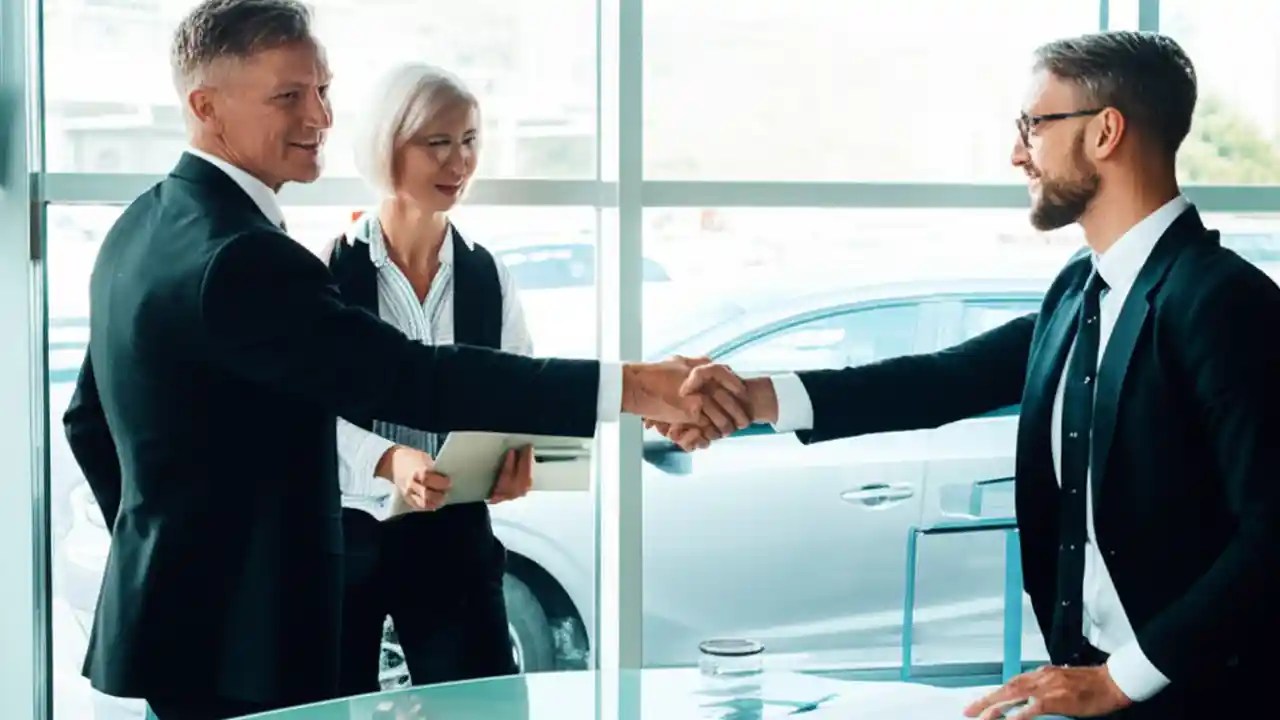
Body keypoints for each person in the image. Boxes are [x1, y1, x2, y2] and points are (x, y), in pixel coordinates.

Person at [60, 2, 748, 718]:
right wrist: (636, 385)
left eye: (322, 90)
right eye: (288, 96)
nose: (320, 118)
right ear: (206, 107)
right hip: (247, 642)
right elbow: (409, 379)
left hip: (188, 631)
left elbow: (88, 420)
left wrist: (170, 558)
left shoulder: (141, 227)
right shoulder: (246, 256)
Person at [666, 30, 1279, 720]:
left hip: (1201, 696)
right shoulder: (1080, 290)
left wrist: (1120, 680)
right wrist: (754, 399)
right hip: (1086, 688)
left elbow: (1273, 537)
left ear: (1106, 132)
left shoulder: (1227, 303)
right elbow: (939, 380)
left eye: (1034, 125)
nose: (1018, 152)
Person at [327, 62, 539, 694]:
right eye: (437, 143)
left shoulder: (487, 275)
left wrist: (518, 452)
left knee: (484, 708)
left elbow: (520, 388)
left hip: (455, 538)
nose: (459, 162)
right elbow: (309, 409)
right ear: (390, 146)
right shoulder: (327, 270)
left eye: (469, 140)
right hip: (347, 539)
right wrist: (388, 460)